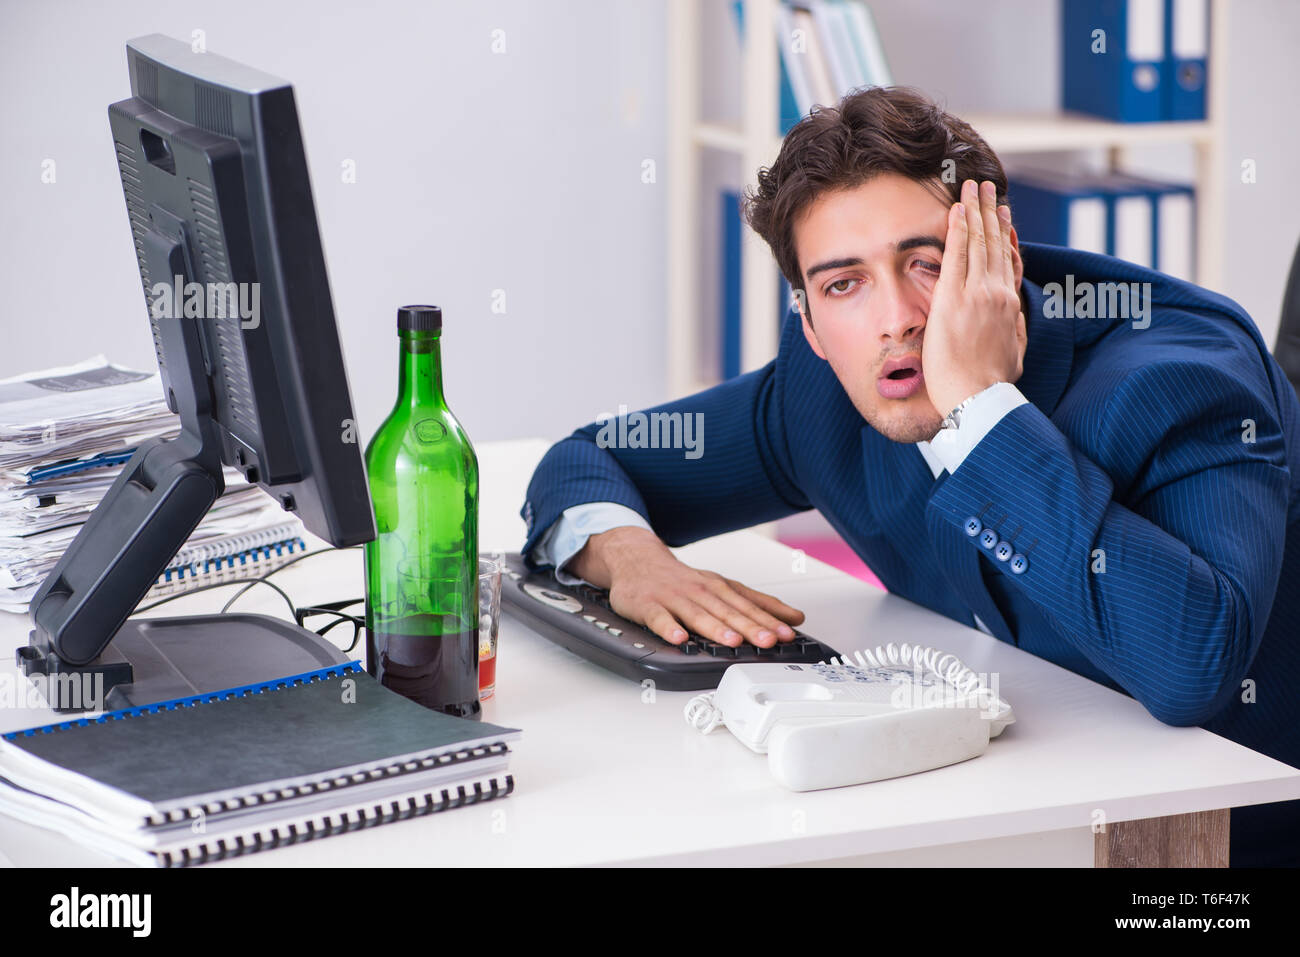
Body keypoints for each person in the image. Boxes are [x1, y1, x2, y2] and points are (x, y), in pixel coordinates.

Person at [520, 87, 1300, 867]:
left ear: (1000, 256)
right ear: (812, 324)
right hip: (1005, 805)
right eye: (843, 284)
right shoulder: (819, 391)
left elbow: (1195, 665)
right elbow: (588, 457)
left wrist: (981, 406)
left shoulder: (1182, 375)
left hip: (1218, 844)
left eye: (924, 263)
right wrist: (633, 559)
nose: (895, 318)